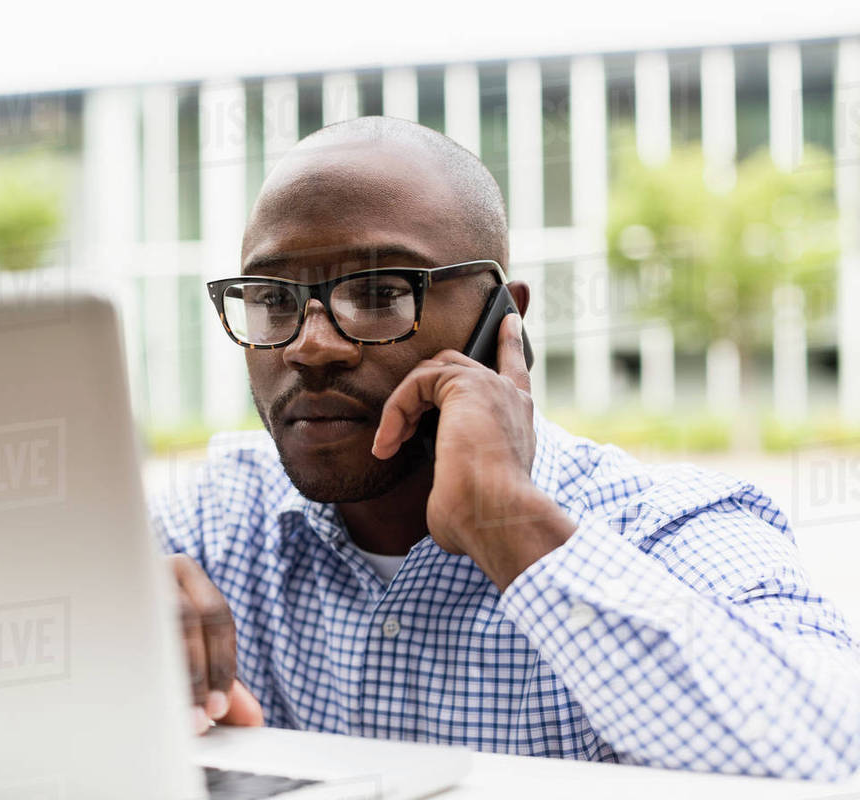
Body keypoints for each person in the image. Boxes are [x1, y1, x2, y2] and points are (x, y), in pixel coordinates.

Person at [151, 116, 860, 780]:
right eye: (272, 301)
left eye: (379, 293)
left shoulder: (665, 526)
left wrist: (510, 523)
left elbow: (836, 750)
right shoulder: (215, 523)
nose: (310, 345)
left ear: (502, 318)